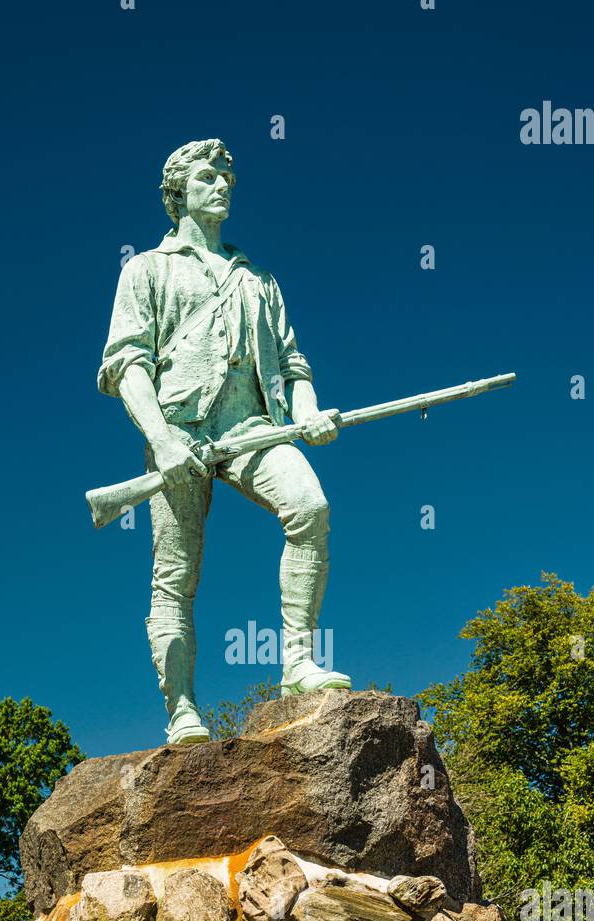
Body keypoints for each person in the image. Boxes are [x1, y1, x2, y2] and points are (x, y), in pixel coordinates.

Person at [98, 138, 351, 744]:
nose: (223, 186)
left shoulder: (259, 278)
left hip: (251, 428)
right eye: (209, 176)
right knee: (175, 575)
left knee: (310, 508)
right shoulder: (147, 269)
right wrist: (160, 441)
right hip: (179, 434)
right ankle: (181, 708)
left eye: (227, 178)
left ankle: (296, 664)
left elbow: (293, 365)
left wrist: (309, 414)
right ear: (177, 190)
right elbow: (125, 364)